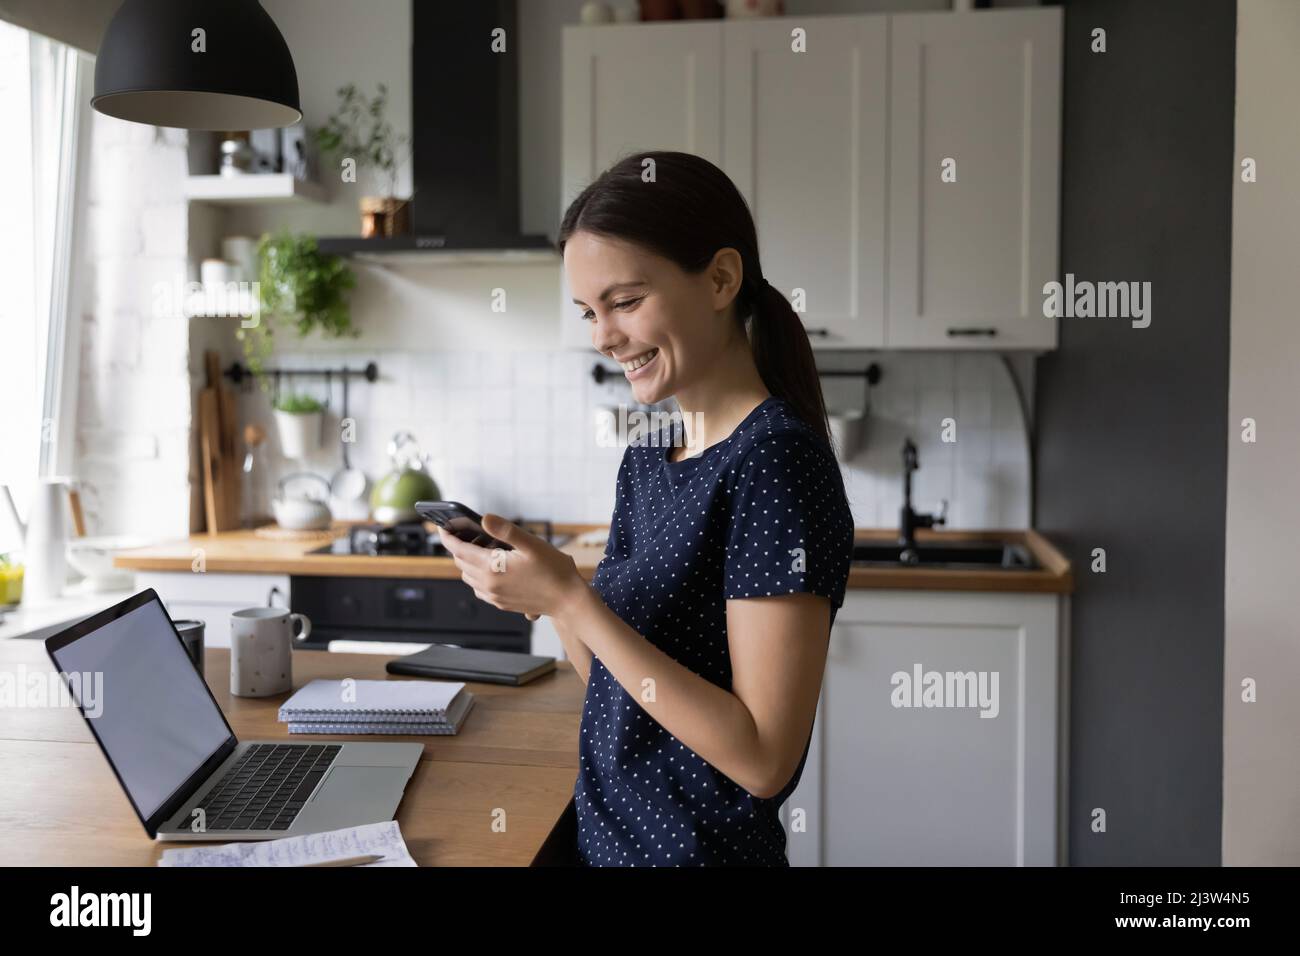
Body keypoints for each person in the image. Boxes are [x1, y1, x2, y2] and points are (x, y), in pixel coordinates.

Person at [438, 150, 854, 866]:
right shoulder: (649, 460)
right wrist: (550, 595)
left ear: (721, 278)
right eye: (589, 313)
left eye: (625, 302)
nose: (603, 336)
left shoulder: (775, 464)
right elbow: (616, 686)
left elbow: (761, 760)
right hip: (604, 843)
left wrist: (572, 596)